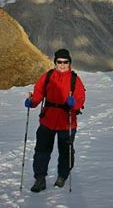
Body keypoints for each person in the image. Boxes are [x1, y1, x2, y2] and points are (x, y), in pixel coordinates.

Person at [24, 48, 86, 192]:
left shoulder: (75, 79)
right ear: (55, 62)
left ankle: (62, 176)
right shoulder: (47, 76)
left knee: (66, 151)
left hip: (67, 121)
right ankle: (40, 178)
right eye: (59, 62)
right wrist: (32, 102)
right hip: (48, 120)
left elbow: (81, 99)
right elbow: (38, 93)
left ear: (69, 63)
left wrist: (74, 104)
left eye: (65, 62)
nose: (62, 65)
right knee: (41, 151)